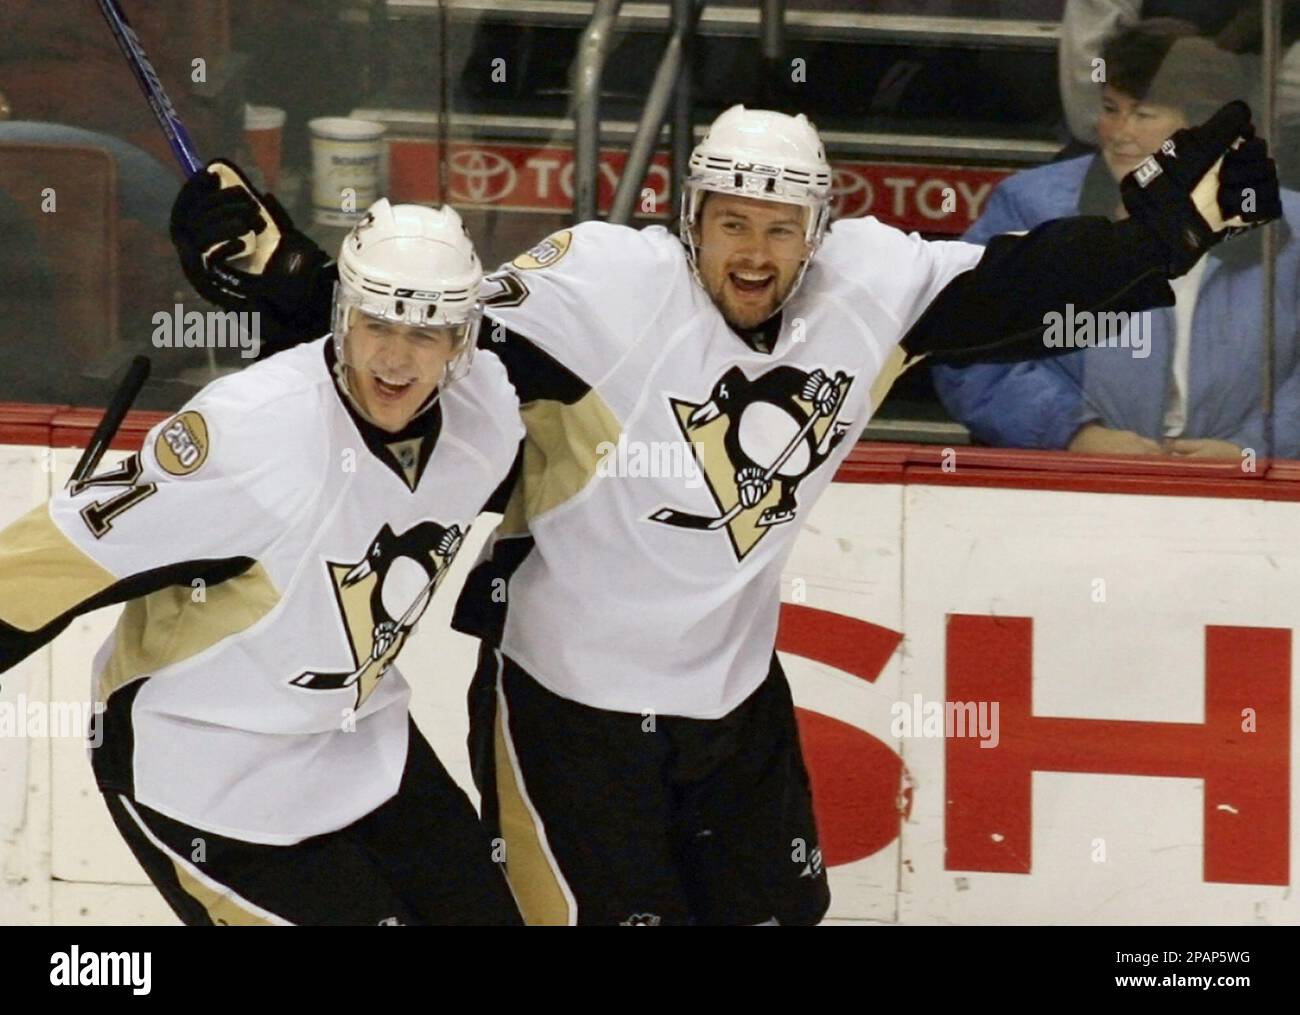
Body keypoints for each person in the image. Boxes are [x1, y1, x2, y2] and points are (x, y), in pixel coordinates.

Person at [168, 101, 1280, 924]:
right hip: (569, 714)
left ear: (819, 228)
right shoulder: (602, 284)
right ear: (687, 214)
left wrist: (1163, 230)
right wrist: (283, 270)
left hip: (734, 708)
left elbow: (1023, 283)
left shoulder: (872, 283)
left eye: (781, 228)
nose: (753, 253)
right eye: (730, 222)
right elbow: (432, 331)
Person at [0, 174, 524, 926]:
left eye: (426, 331)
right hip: (204, 776)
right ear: (344, 315)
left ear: (462, 341)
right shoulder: (247, 438)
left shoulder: (487, 418)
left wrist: (288, 276)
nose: (396, 360)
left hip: (361, 744)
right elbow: (41, 566)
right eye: (377, 324)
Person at [933, 25, 1300, 458]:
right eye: (1111, 109)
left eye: (1143, 115)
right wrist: (1073, 434)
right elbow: (966, 346)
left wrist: (1252, 449)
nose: (1120, 132)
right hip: (1070, 483)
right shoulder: (1032, 208)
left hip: (1246, 495)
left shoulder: (1289, 222)